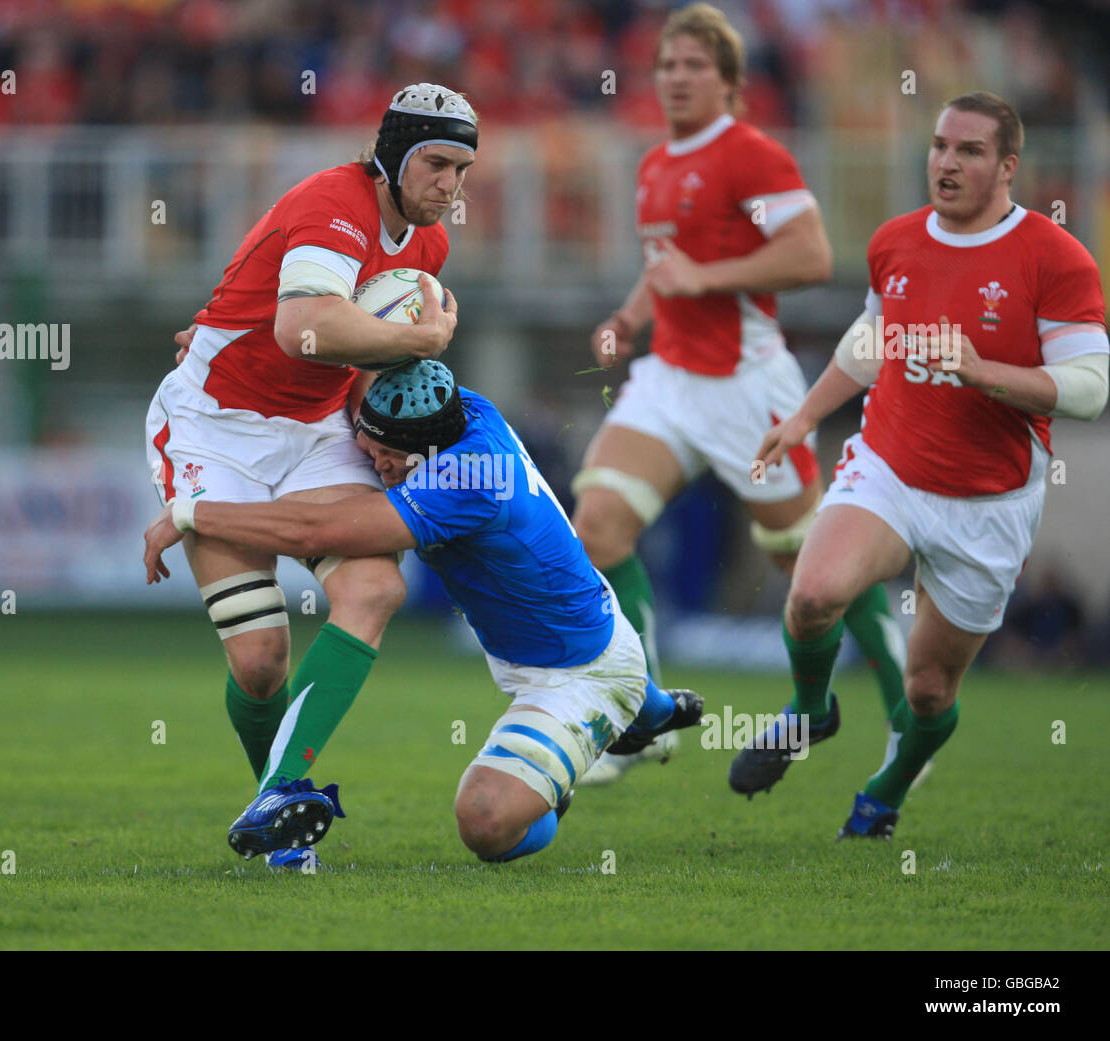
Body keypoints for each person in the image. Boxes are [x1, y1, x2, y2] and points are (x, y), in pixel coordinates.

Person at [730, 91, 1108, 838]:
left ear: (1008, 167)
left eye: (969, 151)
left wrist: (985, 372)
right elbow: (873, 337)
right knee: (813, 594)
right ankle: (811, 711)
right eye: (939, 145)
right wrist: (805, 416)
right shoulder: (896, 240)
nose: (946, 163)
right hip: (891, 467)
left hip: (990, 500)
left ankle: (886, 791)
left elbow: (1092, 389)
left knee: (929, 691)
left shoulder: (1056, 256)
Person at [144, 361, 704, 864]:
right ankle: (651, 712)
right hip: (572, 623)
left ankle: (563, 784)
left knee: (485, 823)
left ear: (429, 456)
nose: (375, 463)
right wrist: (225, 349)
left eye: (389, 457)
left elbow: (314, 531)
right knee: (615, 668)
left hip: (577, 674)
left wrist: (193, 513)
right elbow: (366, 365)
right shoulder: (460, 410)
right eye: (370, 445)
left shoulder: (465, 482)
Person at [569, 3, 907, 785]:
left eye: (696, 65)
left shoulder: (751, 155)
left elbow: (811, 255)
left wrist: (707, 278)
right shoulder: (655, 165)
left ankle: (901, 715)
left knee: (815, 568)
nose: (677, 77)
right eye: (667, 64)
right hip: (668, 380)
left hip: (749, 388)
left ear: (729, 82)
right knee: (598, 527)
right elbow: (667, 268)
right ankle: (644, 718)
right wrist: (629, 316)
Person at [144, 83, 474, 867]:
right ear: (393, 155)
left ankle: (280, 800)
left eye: (462, 169)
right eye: (435, 163)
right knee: (261, 663)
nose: (450, 185)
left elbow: (356, 361)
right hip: (214, 423)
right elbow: (303, 329)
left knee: (376, 587)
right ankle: (278, 797)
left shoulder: (428, 246)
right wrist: (423, 343)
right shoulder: (335, 202)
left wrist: (382, 429)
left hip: (315, 426)